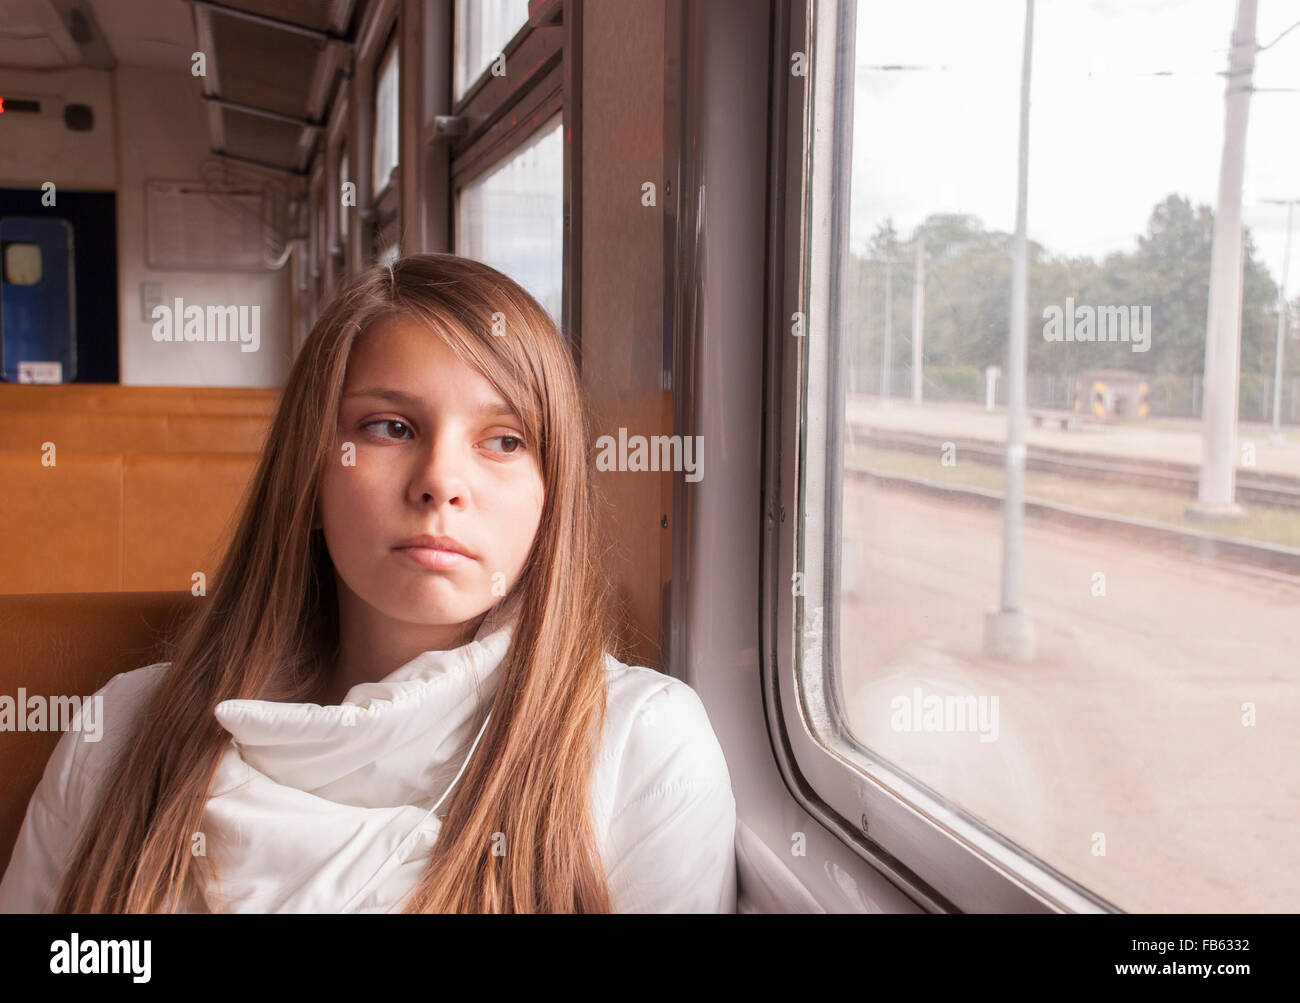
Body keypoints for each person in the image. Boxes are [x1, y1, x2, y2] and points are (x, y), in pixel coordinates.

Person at [0, 253, 736, 913]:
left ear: (553, 498)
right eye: (389, 427)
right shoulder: (120, 729)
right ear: (311, 473)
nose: (442, 481)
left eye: (504, 440)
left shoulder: (643, 749)